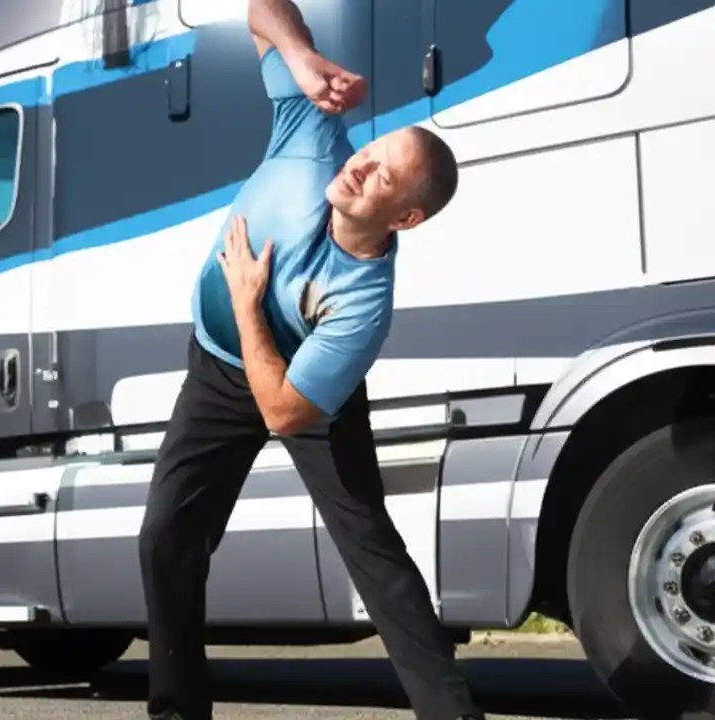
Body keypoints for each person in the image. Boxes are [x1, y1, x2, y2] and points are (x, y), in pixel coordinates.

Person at [137, 0, 483, 718]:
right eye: (372, 154)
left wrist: (246, 304)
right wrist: (300, 55)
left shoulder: (361, 306)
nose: (361, 168)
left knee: (371, 550)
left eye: (383, 179)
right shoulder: (314, 139)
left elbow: (284, 410)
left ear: (405, 218)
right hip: (215, 370)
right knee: (167, 535)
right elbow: (265, 7)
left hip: (302, 394)